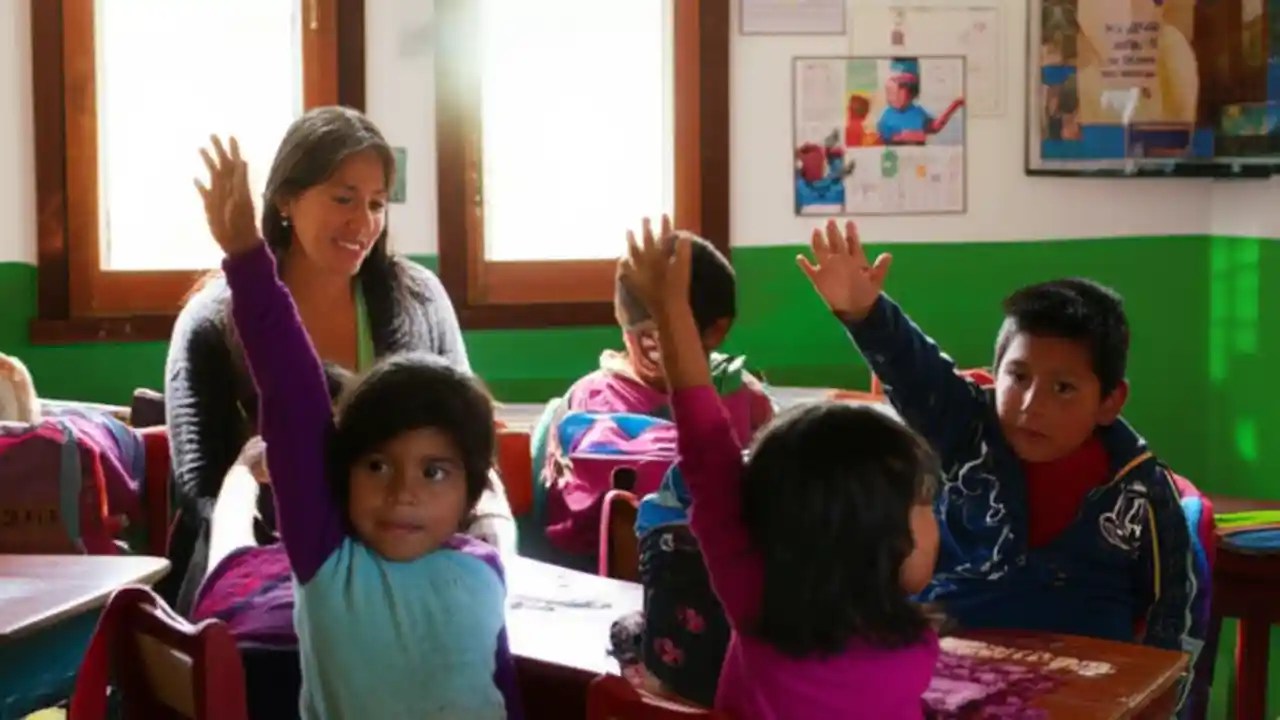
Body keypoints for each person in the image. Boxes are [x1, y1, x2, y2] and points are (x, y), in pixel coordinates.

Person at [196, 134, 520, 718]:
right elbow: (293, 394)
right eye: (376, 466)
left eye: (434, 471)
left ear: (470, 490)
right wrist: (246, 255)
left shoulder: (484, 568)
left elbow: (502, 688)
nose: (403, 492)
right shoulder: (328, 565)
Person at [800, 220, 1196, 655]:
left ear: (1109, 401)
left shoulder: (1143, 493)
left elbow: (1172, 617)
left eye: (1062, 388)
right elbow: (914, 369)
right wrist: (864, 313)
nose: (1031, 405)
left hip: (1085, 692)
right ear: (994, 374)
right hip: (946, 669)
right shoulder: (966, 424)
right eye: (1018, 376)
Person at [619, 221, 942, 718]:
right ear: (876, 537)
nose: (936, 522)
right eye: (922, 505)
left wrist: (671, 312)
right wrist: (670, 312)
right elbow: (705, 441)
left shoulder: (754, 597)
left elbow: (707, 445)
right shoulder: (908, 643)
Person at [534, 220, 772, 562]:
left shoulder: (743, 393)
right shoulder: (595, 404)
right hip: (615, 586)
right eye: (646, 330)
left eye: (666, 327)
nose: (655, 346)